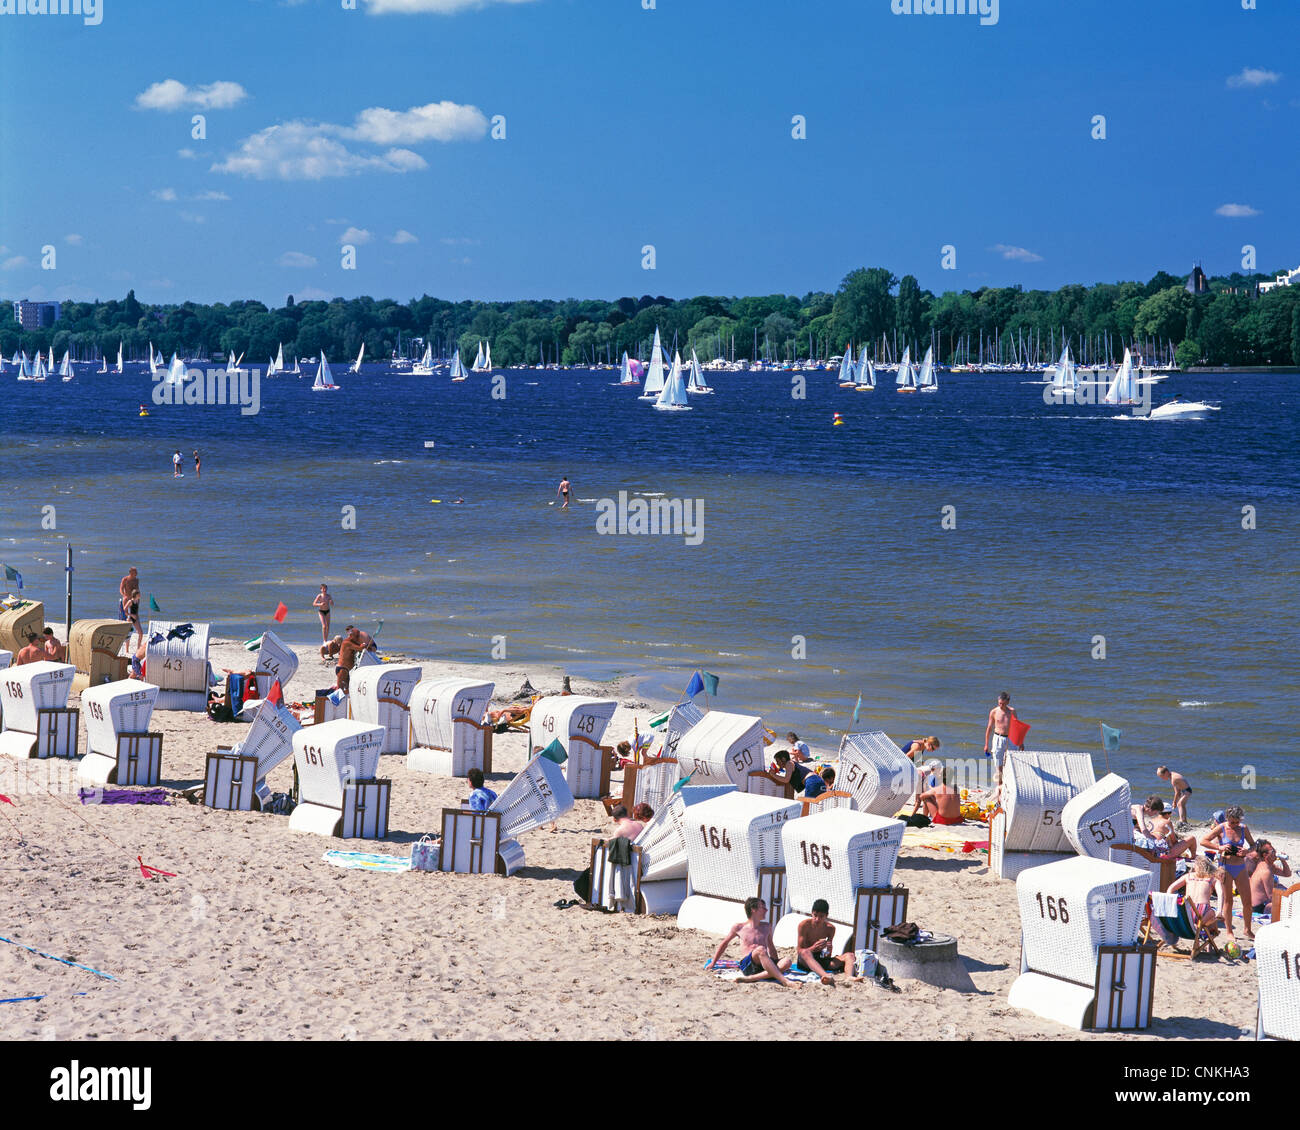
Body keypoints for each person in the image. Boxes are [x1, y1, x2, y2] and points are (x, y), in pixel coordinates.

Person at [706, 897, 793, 987]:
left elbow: (771, 946)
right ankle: (785, 981)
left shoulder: (767, 927)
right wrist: (713, 962)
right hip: (748, 965)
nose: (766, 910)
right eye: (763, 908)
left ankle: (752, 978)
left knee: (787, 961)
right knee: (761, 949)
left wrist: (775, 962)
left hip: (763, 963)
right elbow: (724, 944)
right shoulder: (739, 927)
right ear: (753, 909)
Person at [1201, 806, 1256, 940]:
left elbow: (1254, 845)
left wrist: (1246, 851)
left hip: (1240, 866)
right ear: (1227, 818)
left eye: (1237, 822)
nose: (1234, 824)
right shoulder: (1222, 828)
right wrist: (1219, 847)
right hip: (1225, 867)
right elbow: (1203, 841)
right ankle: (1229, 931)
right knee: (1228, 901)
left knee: (1247, 902)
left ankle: (1247, 929)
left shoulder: (1243, 828)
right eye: (1232, 822)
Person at [1168, 857, 1232, 947]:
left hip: (1186, 912)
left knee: (1207, 915)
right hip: (1202, 913)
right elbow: (1221, 894)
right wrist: (1219, 912)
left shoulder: (1188, 876)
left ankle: (1202, 936)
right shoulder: (1212, 879)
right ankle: (1208, 937)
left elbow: (1170, 888)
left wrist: (1171, 906)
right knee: (1212, 913)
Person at [793, 899, 857, 985]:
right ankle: (826, 975)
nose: (817, 919)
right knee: (805, 952)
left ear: (826, 916)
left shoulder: (830, 928)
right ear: (811, 913)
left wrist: (829, 949)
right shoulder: (804, 925)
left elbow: (827, 955)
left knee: (850, 955)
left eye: (821, 916)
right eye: (815, 915)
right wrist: (812, 948)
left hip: (821, 959)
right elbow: (799, 950)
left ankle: (849, 977)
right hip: (806, 960)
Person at [1246, 839, 1292, 916]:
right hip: (1258, 907)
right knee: (1285, 905)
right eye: (1273, 852)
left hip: (1260, 904)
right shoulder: (1266, 871)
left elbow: (1287, 874)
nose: (1275, 854)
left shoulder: (1267, 865)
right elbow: (1270, 896)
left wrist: (1283, 861)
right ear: (1265, 855)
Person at [983, 692, 1019, 785]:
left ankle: (1008, 784)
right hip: (998, 738)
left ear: (1008, 702)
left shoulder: (1012, 711)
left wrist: (1020, 741)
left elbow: (1017, 727)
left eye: (1003, 703)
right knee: (998, 764)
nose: (1001, 705)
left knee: (1011, 762)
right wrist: (986, 744)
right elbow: (989, 728)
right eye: (999, 703)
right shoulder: (994, 711)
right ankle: (999, 786)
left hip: (1010, 738)